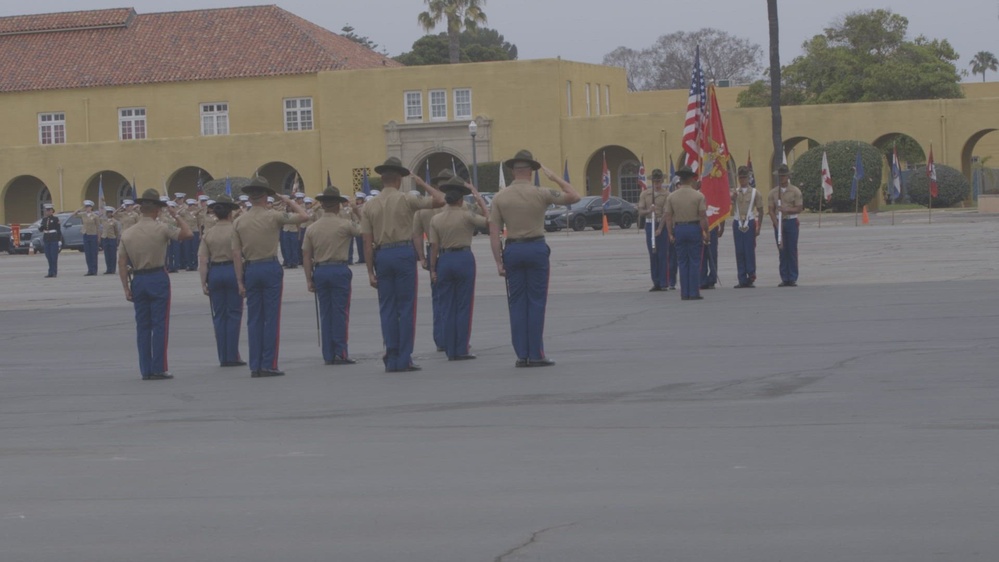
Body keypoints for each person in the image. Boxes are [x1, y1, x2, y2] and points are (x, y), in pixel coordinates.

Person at [489, 149, 581, 367]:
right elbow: (575, 196)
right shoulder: (541, 193)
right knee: (536, 302)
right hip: (536, 248)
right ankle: (537, 353)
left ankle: (522, 355)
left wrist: (498, 262)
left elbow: (494, 233)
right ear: (531, 171)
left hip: (513, 249)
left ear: (513, 171)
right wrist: (555, 177)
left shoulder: (500, 197)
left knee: (517, 303)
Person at [361, 157, 445, 373]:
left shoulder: (369, 206)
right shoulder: (407, 199)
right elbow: (440, 200)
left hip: (382, 255)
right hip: (402, 253)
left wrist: (370, 271)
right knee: (406, 307)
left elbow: (366, 243)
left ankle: (391, 356)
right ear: (399, 179)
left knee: (387, 307)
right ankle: (404, 358)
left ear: (382, 179)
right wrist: (421, 182)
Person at [232, 177, 309, 378]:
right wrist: (288, 200)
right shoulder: (274, 216)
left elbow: (236, 254)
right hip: (269, 266)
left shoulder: (239, 221)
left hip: (251, 268)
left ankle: (255, 365)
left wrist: (240, 281)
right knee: (271, 318)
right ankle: (268, 363)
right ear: (266, 196)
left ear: (249, 198)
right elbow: (304, 216)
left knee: (254, 319)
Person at [117, 188, 193, 380]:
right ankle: (159, 367)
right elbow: (187, 234)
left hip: (138, 280)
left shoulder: (128, 233)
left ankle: (146, 369)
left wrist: (126, 287)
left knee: (142, 326)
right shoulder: (162, 228)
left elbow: (122, 262)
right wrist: (176, 215)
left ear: (141, 209)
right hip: (157, 277)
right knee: (159, 324)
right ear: (157, 210)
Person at [430, 177, 488, 360]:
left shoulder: (436, 219)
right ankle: (461, 348)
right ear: (461, 200)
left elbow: (433, 246)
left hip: (444, 259)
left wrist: (433, 269)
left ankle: (450, 349)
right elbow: (489, 221)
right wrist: (479, 199)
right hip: (463, 258)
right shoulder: (466, 215)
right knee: (464, 305)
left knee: (446, 306)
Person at [302, 185, 361, 366]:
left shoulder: (312, 228)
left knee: (326, 313)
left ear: (322, 205)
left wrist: (308, 279)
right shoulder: (344, 224)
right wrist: (357, 211)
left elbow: (306, 255)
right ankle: (340, 352)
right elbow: (364, 230)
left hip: (320, 270)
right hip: (339, 269)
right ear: (337, 205)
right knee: (340, 312)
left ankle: (328, 354)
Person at [198, 194, 246, 367]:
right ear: (230, 213)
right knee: (233, 314)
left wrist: (203, 282)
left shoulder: (208, 233)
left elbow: (203, 260)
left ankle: (223, 356)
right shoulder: (236, 230)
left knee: (219, 316)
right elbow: (239, 254)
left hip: (215, 272)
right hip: (232, 271)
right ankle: (233, 355)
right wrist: (241, 279)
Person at [413, 169, 455, 352]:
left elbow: (416, 235)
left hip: (432, 252)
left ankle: (440, 339)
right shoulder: (453, 203)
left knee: (437, 298)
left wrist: (422, 257)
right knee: (454, 298)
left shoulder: (423, 207)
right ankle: (455, 338)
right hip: (451, 250)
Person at [658, 166, 709, 301]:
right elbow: (703, 216)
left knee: (682, 262)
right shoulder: (698, 196)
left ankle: (684, 293)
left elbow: (668, 216)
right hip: (694, 228)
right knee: (694, 261)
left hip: (679, 229)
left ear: (680, 179)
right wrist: (706, 232)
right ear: (692, 179)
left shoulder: (672, 196)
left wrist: (670, 233)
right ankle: (694, 292)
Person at [768, 163, 805, 287]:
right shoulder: (773, 192)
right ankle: (784, 277)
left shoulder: (795, 191)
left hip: (790, 221)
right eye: (780, 176)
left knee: (791, 250)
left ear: (788, 176)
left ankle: (792, 277)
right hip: (779, 222)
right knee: (782, 250)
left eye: (784, 176)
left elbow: (799, 208)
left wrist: (787, 210)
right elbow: (771, 210)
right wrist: (776, 224)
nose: (782, 178)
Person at [731, 165, 764, 288]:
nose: (742, 180)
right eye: (740, 177)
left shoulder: (755, 192)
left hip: (749, 221)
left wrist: (758, 226)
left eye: (744, 177)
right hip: (737, 221)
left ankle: (751, 276)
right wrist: (732, 198)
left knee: (749, 250)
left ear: (748, 178)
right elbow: (728, 207)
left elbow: (760, 210)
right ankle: (741, 278)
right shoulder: (735, 192)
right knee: (739, 251)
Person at [637, 168, 669, 291]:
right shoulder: (645, 194)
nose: (657, 184)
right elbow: (640, 211)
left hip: (661, 223)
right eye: (655, 181)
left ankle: (663, 282)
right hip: (650, 224)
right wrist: (648, 211)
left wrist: (660, 228)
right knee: (653, 254)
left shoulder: (666, 194)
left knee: (662, 254)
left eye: (659, 181)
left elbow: (667, 213)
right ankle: (655, 281)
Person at [72, 200, 100, 275]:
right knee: (88, 254)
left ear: (91, 207)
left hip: (93, 235)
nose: (87, 208)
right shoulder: (83, 215)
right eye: (86, 207)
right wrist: (80, 208)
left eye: (88, 207)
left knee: (93, 253)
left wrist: (98, 237)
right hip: (86, 234)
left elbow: (98, 227)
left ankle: (94, 270)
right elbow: (74, 215)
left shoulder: (95, 216)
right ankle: (89, 270)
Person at [40, 204, 61, 278]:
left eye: (49, 210)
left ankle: (54, 272)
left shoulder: (55, 219)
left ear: (52, 211)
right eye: (47, 210)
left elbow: (58, 230)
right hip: (46, 238)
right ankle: (50, 272)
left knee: (53, 256)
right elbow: (41, 229)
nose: (48, 212)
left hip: (53, 239)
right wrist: (40, 227)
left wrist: (59, 240)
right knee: (48, 256)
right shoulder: (44, 219)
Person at [99, 206, 122, 274]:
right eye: (107, 213)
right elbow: (97, 218)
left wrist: (117, 239)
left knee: (112, 255)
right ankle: (108, 269)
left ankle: (112, 269)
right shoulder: (104, 220)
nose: (108, 214)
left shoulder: (115, 221)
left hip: (112, 238)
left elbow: (117, 231)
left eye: (110, 213)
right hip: (105, 238)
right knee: (107, 255)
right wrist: (102, 213)